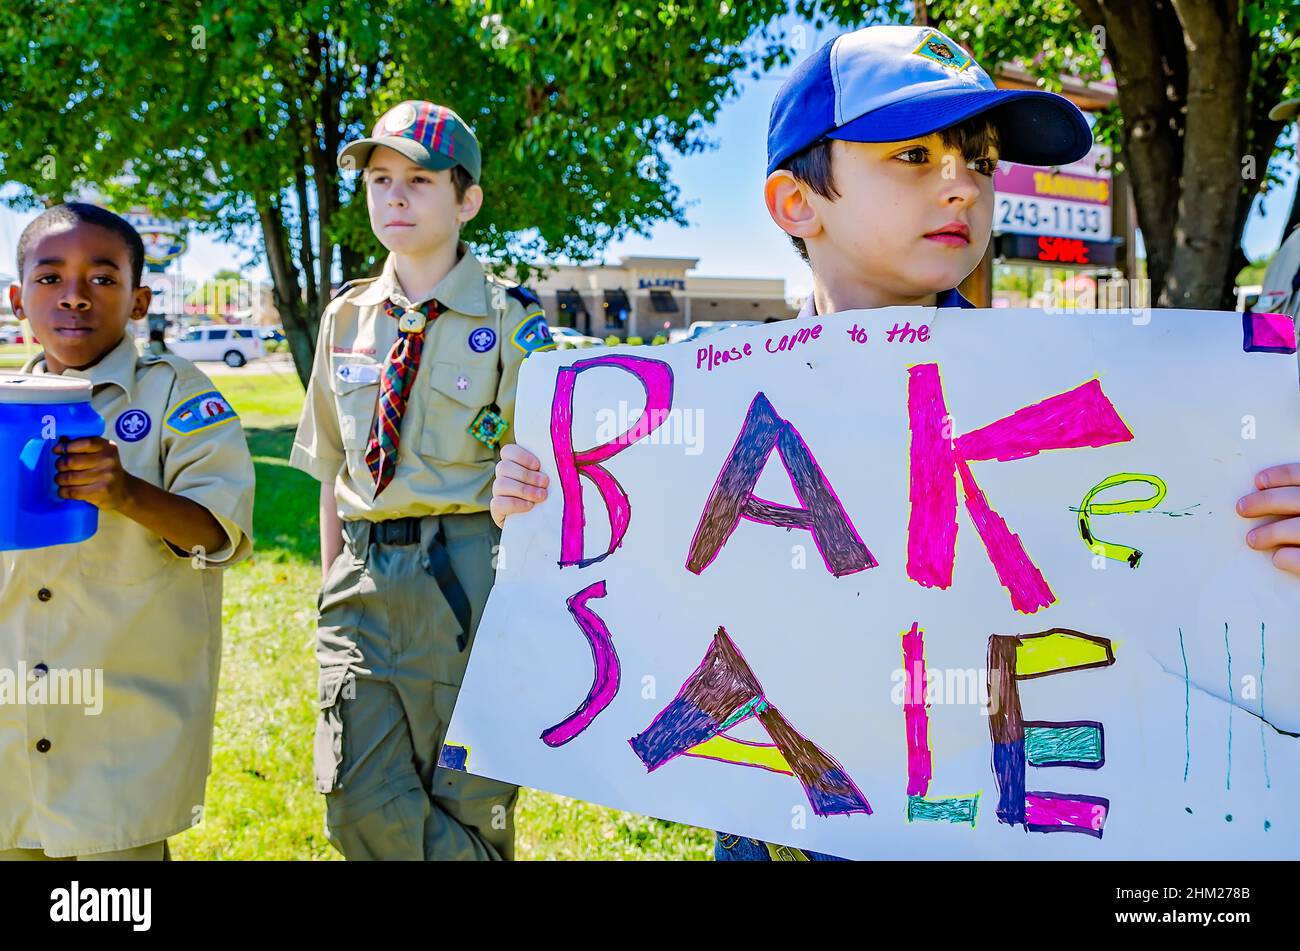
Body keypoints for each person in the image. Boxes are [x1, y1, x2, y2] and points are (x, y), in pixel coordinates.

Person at [491, 25, 1300, 860]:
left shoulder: (1074, 409)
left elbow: (1174, 599)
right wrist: (545, 505)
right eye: (913, 156)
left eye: (981, 162)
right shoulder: (701, 409)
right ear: (796, 202)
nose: (962, 188)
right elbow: (641, 579)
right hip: (780, 827)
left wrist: (1265, 547)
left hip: (997, 824)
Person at [290, 100, 554, 860]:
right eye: (379, 179)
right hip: (363, 577)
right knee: (353, 798)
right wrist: (331, 577)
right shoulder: (345, 319)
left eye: (418, 179)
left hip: (468, 574)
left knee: (469, 794)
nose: (394, 196)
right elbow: (334, 464)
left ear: (466, 199)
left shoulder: (511, 321)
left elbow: (547, 472)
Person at [0, 202, 255, 860]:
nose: (76, 297)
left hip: (119, 737)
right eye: (50, 277)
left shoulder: (175, 394)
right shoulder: (6, 409)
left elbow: (216, 537)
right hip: (11, 736)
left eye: (103, 279)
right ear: (17, 296)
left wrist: (126, 493)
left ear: (139, 299)